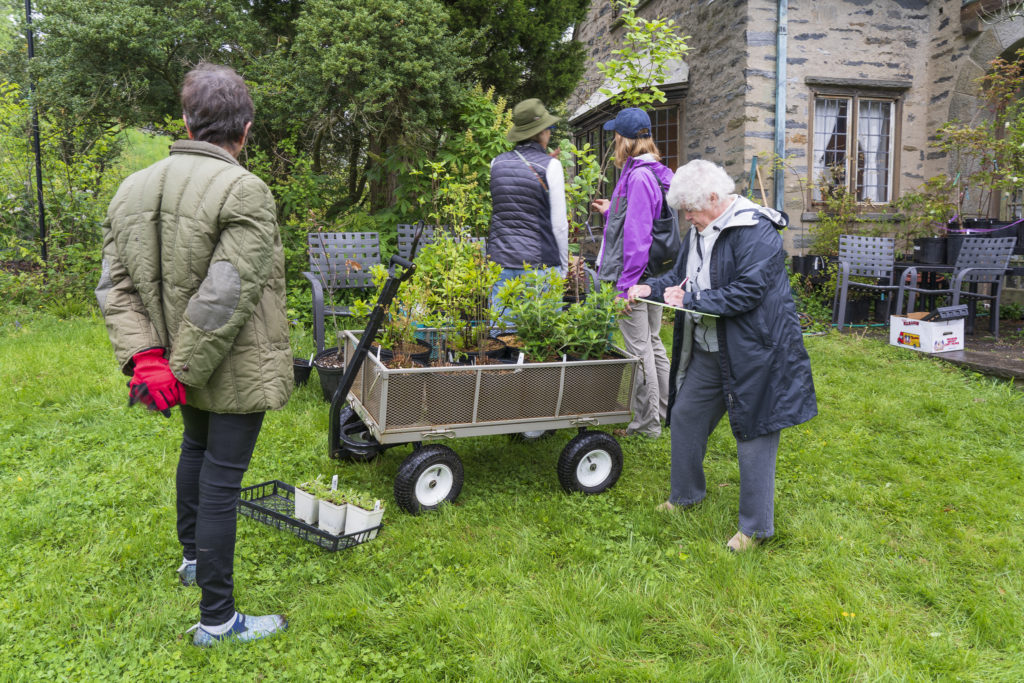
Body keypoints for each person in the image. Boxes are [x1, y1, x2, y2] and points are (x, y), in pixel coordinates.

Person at [95, 63, 292, 645]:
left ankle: (192, 559)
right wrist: (171, 367)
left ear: (185, 120)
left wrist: (152, 360)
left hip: (181, 366)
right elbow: (227, 292)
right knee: (221, 479)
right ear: (246, 128)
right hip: (229, 363)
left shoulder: (131, 187)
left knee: (196, 449)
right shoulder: (244, 188)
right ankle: (218, 619)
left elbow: (115, 288)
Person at [627, 159, 817, 552]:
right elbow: (681, 276)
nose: (688, 217)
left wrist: (692, 299)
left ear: (714, 198)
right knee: (685, 417)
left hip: (757, 352)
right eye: (684, 211)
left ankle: (755, 529)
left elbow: (748, 293)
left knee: (754, 434)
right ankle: (686, 496)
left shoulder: (756, 231)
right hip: (711, 349)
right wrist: (651, 288)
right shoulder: (700, 230)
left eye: (691, 210)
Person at [591, 107, 673, 439]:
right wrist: (613, 210)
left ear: (624, 140)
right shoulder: (654, 171)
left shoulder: (638, 177)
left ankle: (646, 425)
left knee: (639, 351)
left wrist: (626, 288)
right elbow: (643, 220)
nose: (613, 142)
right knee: (652, 344)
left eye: (615, 136)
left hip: (634, 278)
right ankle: (666, 413)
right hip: (652, 273)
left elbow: (638, 238)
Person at [488, 97, 570, 318]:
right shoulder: (551, 166)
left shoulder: (496, 163)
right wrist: (563, 268)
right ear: (542, 131)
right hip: (540, 264)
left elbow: (507, 210)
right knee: (542, 341)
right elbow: (560, 225)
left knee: (503, 337)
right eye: (549, 128)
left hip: (501, 262)